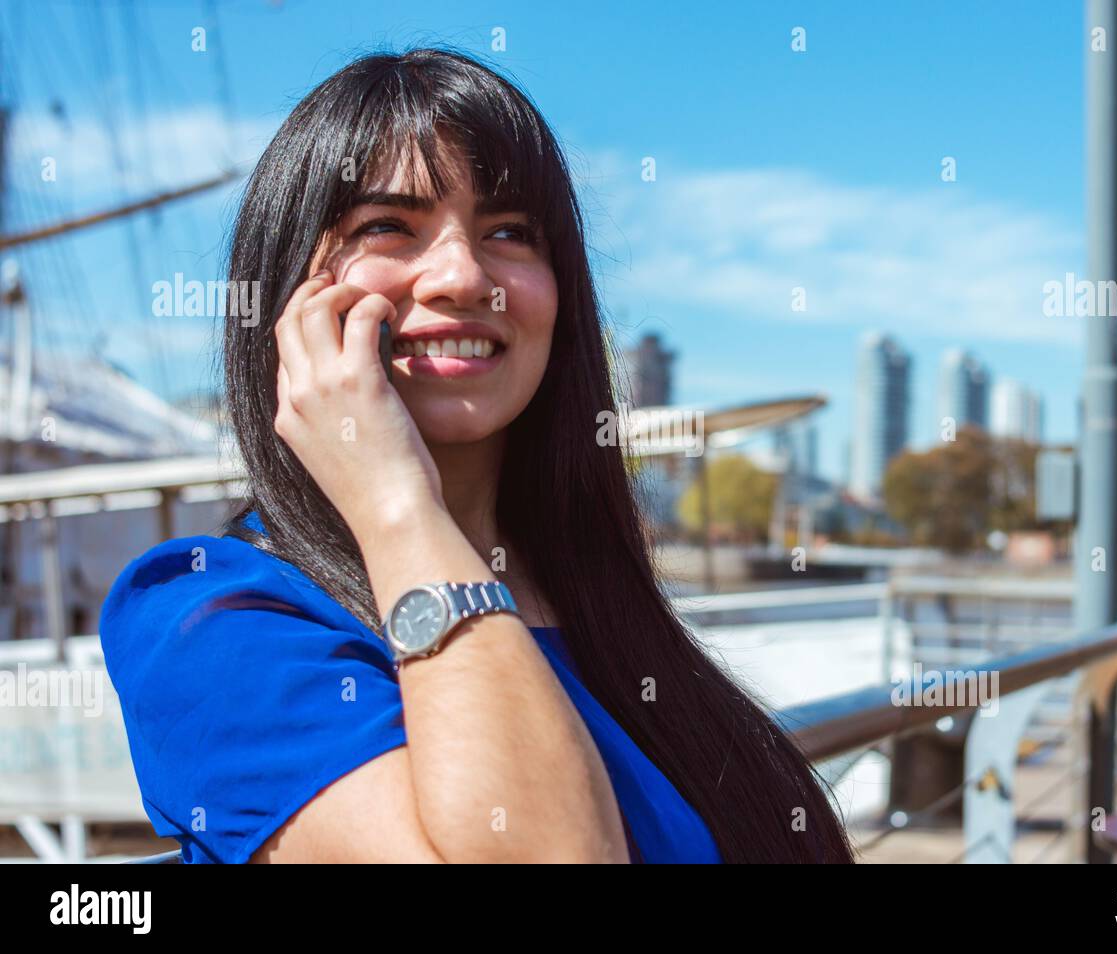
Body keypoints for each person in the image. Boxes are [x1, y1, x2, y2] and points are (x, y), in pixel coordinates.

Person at [99, 47, 854, 864]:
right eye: (387, 226)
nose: (463, 275)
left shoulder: (591, 595)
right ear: (287, 289)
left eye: (510, 233)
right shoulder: (214, 615)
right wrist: (395, 502)